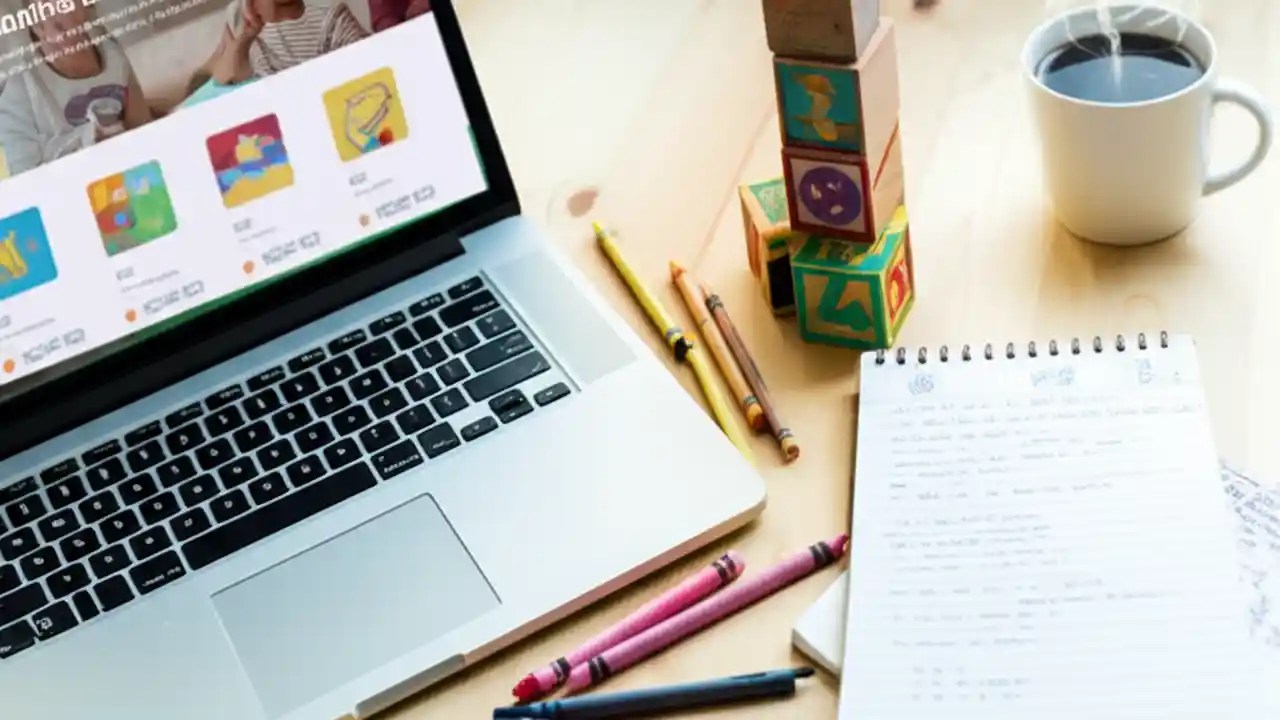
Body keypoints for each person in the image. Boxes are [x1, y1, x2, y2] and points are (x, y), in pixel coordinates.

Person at [0, 1, 152, 176]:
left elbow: (143, 128)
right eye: (47, 15)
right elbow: (26, 179)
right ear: (35, 25)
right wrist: (89, 139)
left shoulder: (111, 50)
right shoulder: (18, 89)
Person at [208, 0, 369, 86]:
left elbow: (372, 65)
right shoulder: (239, 14)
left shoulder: (330, 16)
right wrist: (244, 39)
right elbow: (221, 79)